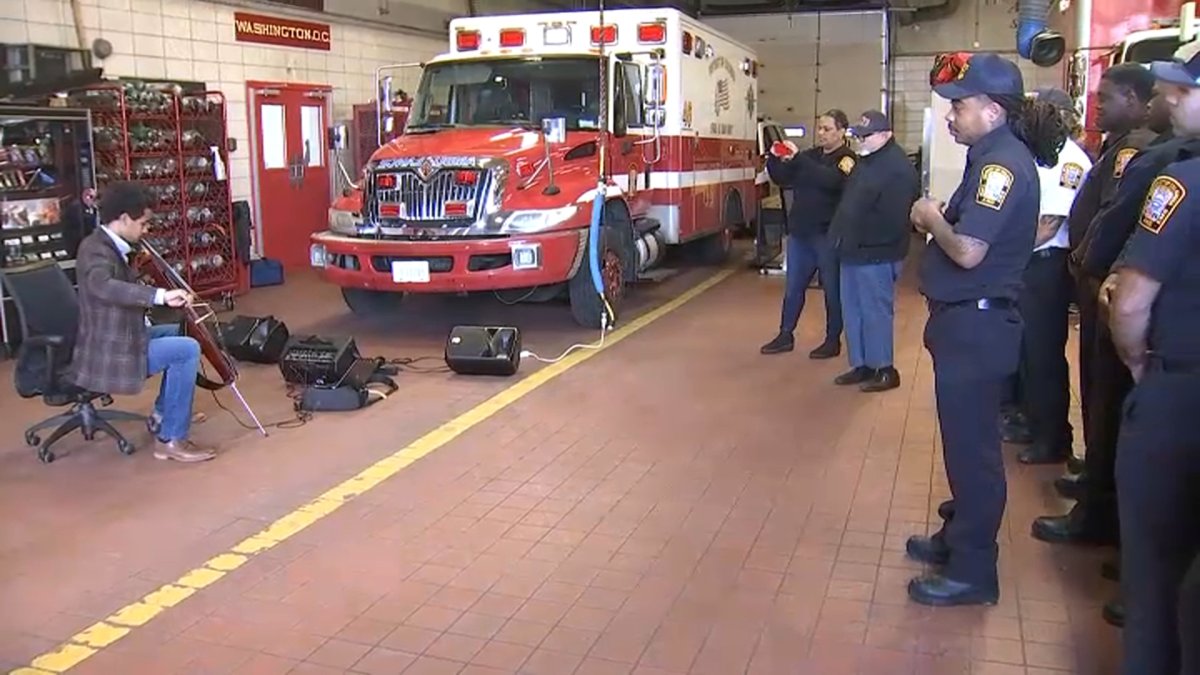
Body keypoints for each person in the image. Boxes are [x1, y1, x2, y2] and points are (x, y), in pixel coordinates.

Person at [905, 52, 1065, 606]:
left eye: (961, 105)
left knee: (973, 452)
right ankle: (957, 535)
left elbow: (970, 251)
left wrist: (930, 219)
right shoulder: (989, 157)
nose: (951, 115)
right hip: (966, 326)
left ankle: (974, 569)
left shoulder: (1001, 166)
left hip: (978, 325)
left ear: (993, 110)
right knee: (961, 443)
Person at [1030, 63, 1158, 547]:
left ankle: (1098, 510)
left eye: (1111, 96)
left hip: (1107, 287)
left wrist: (1088, 261)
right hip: (1090, 284)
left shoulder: (1138, 152)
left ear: (1143, 104)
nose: (1098, 104)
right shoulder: (1116, 147)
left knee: (1106, 397)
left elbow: (1117, 220)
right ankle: (1095, 482)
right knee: (1095, 391)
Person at [1105, 40, 1200, 674]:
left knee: (1155, 554)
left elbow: (1132, 301)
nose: (1169, 97)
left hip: (1178, 387)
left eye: (1183, 90)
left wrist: (1141, 365)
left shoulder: (1182, 182)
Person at [71, 181, 214, 463]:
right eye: (143, 223)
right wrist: (159, 295)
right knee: (185, 350)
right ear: (124, 218)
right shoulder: (94, 250)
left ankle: (163, 415)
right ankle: (171, 440)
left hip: (125, 335)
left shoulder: (111, 246)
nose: (146, 229)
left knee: (178, 332)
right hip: (110, 351)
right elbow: (105, 287)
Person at [1007, 88, 1088, 466]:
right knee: (1025, 352)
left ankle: (1054, 437)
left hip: (1046, 264)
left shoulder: (1067, 161)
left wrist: (1006, 254)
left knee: (1043, 355)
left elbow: (1049, 223)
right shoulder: (1043, 153)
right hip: (1031, 263)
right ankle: (1031, 420)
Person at [827, 110, 919, 392]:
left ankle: (885, 368)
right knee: (853, 310)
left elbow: (895, 218)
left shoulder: (897, 168)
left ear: (887, 135)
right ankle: (862, 364)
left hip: (876, 253)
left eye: (866, 136)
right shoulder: (867, 161)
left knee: (875, 312)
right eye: (859, 136)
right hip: (852, 251)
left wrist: (863, 241)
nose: (861, 141)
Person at [760, 109, 856, 358]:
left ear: (842, 131)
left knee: (832, 291)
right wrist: (773, 158)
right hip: (801, 234)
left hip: (826, 236)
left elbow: (830, 181)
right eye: (820, 128)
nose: (821, 133)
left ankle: (832, 339)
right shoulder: (810, 156)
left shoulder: (847, 160)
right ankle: (785, 334)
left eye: (827, 129)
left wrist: (799, 159)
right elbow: (782, 177)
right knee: (793, 288)